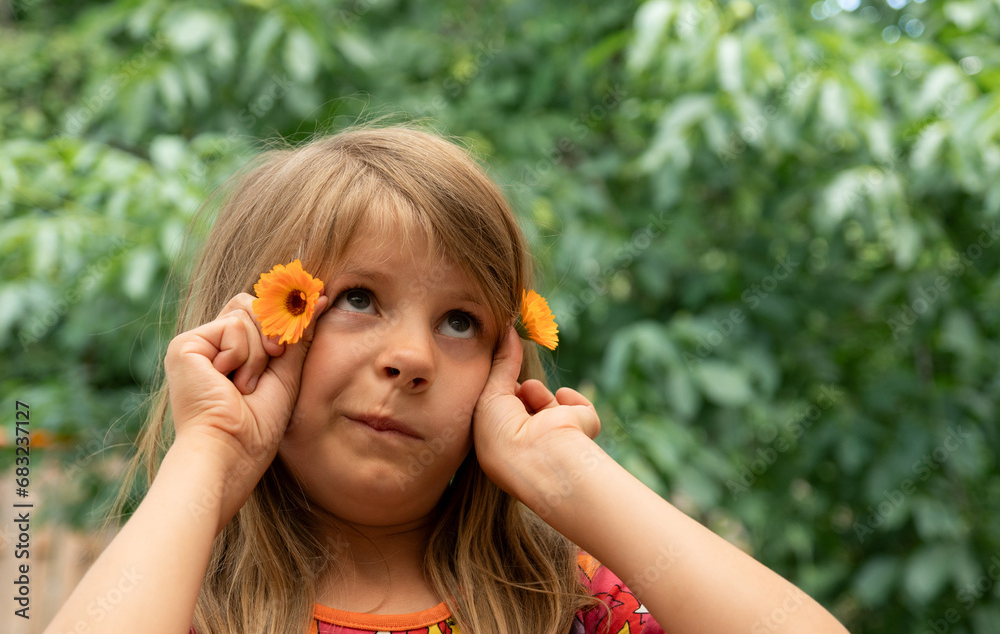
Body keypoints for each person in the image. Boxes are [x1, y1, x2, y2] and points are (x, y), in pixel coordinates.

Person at [45, 126, 849, 634]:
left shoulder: (572, 603)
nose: (414, 357)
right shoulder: (177, 599)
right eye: (359, 299)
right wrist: (211, 449)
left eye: (460, 321)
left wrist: (565, 476)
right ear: (255, 330)